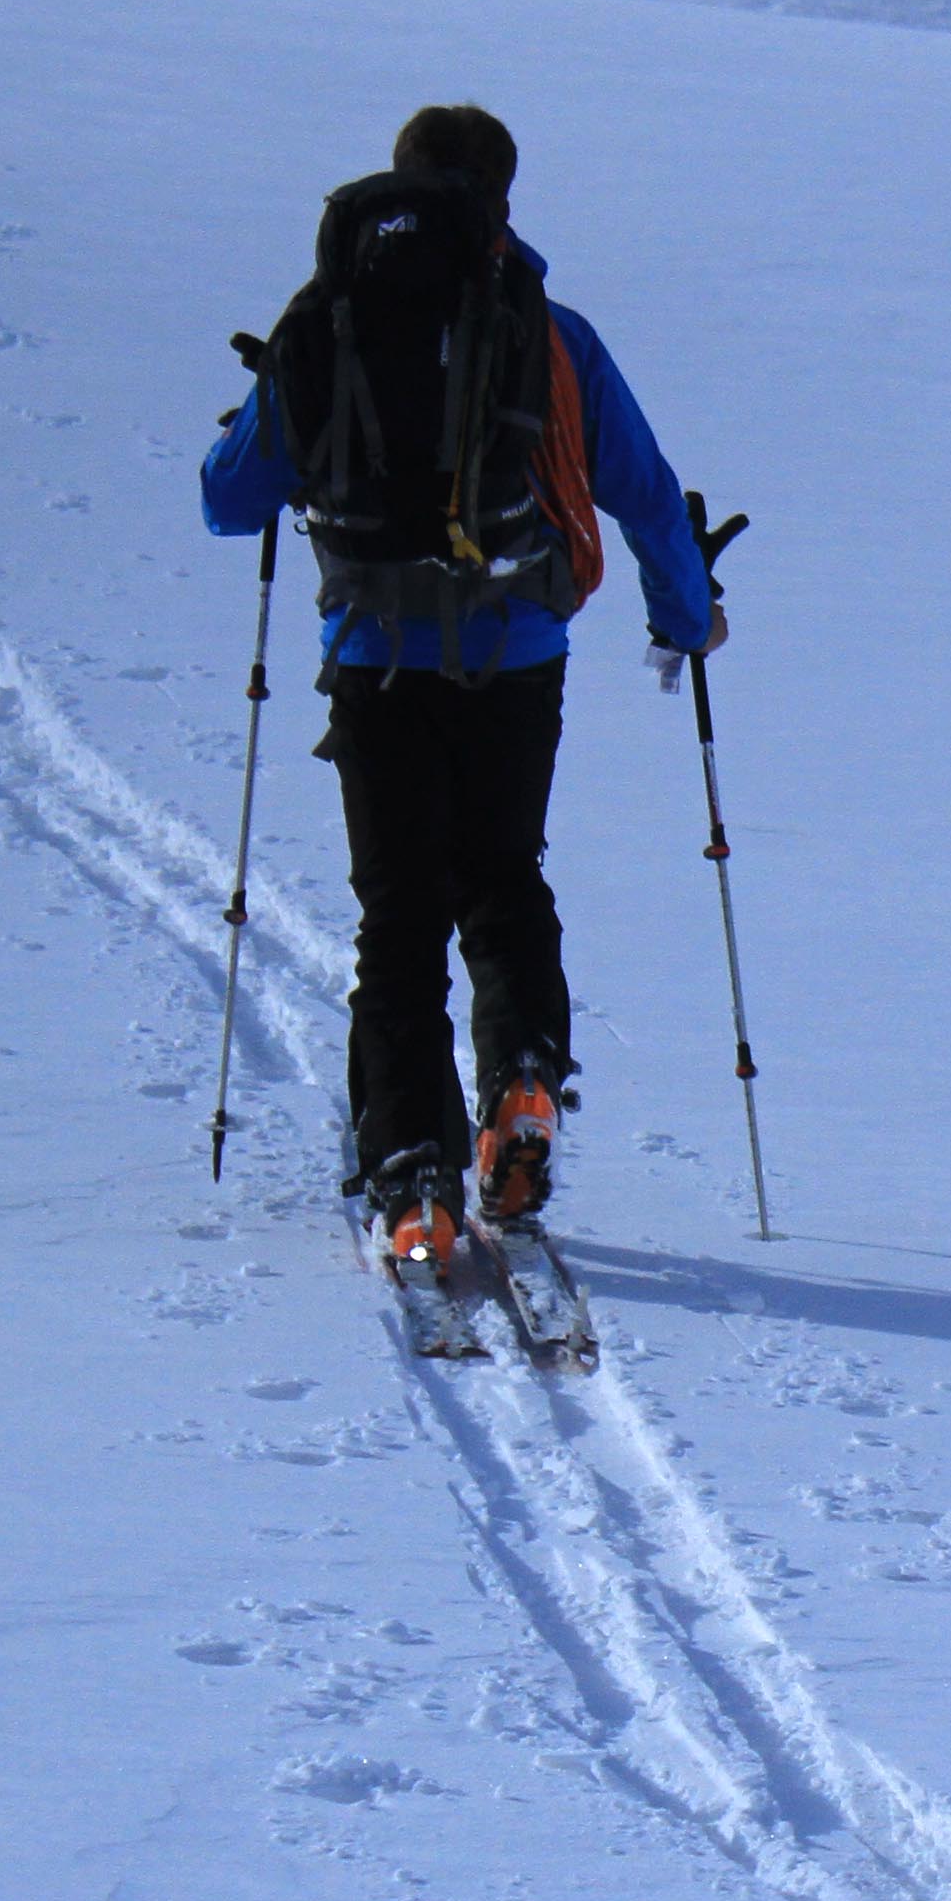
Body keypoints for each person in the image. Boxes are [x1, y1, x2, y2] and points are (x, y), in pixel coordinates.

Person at [201, 103, 719, 1263]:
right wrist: (687, 618)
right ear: (503, 196)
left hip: (378, 665)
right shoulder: (551, 333)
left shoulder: (326, 323)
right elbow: (642, 486)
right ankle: (525, 1085)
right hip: (518, 655)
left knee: (397, 925)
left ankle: (414, 1177)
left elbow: (230, 502)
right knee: (501, 878)